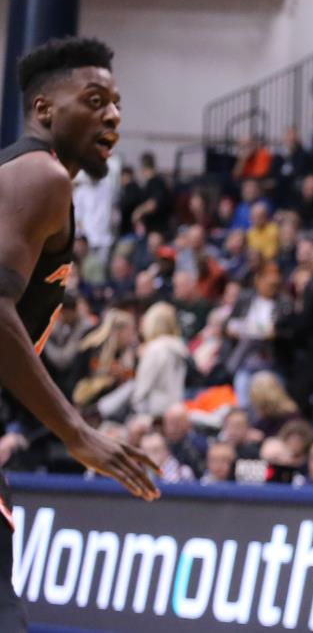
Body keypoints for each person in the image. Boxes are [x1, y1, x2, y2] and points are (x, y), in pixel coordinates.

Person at [0, 38, 161, 630]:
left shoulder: (26, 177)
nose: (113, 116)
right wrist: (76, 431)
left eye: (117, 104)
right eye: (94, 101)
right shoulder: (41, 176)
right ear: (45, 110)